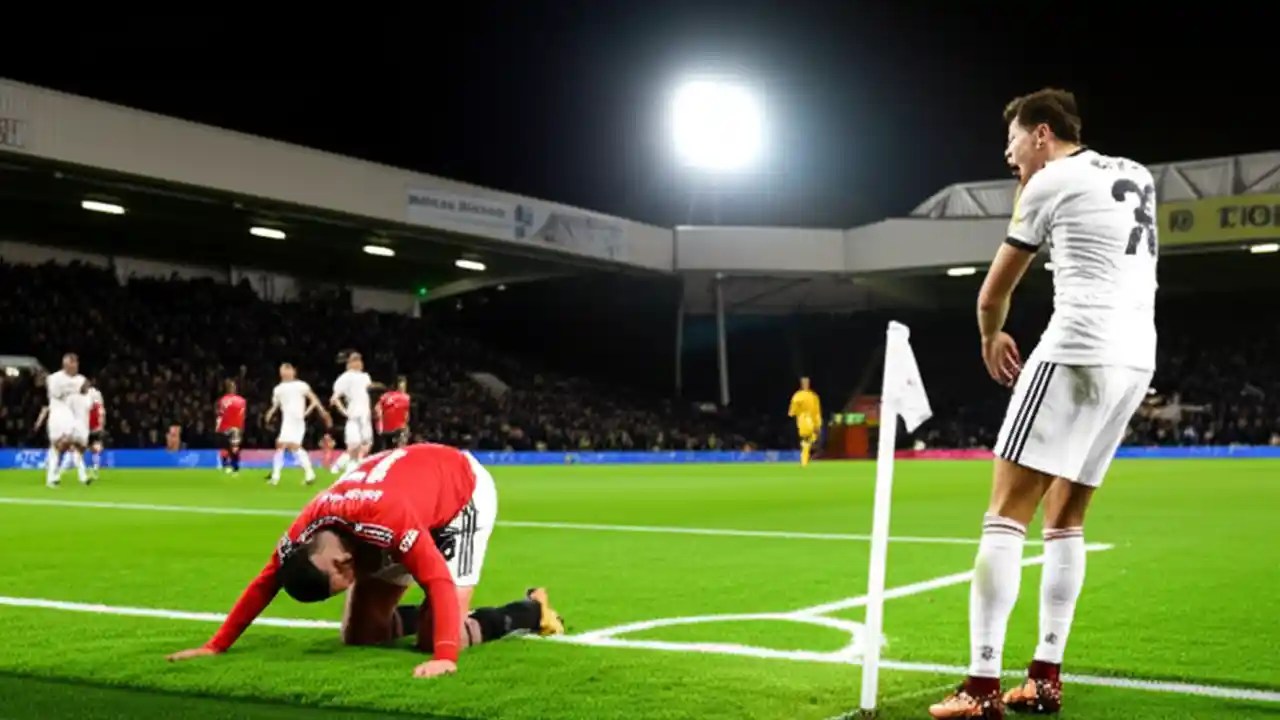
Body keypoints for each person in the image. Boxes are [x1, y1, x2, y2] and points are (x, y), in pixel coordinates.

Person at [929, 88, 1158, 719]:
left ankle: (979, 689)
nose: (1010, 159)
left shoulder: (1050, 181)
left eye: (1013, 144)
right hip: (1135, 360)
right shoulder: (1135, 174)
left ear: (1042, 133)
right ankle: (1045, 677)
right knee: (1066, 517)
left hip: (1076, 349)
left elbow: (992, 292)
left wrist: (989, 335)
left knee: (1005, 514)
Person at [165, 443, 565, 678]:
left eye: (345, 579)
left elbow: (437, 579)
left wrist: (444, 656)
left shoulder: (386, 519)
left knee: (435, 637)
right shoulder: (304, 534)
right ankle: (436, 616)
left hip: (460, 495)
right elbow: (265, 582)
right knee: (360, 634)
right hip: (397, 505)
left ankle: (533, 610)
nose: (350, 582)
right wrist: (216, 645)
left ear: (340, 562)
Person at [264, 363, 330, 485]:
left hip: (297, 420)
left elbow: (314, 399)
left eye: (288, 370)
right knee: (283, 445)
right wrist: (269, 413)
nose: (285, 373)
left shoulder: (301, 385)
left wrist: (318, 412)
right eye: (283, 370)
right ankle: (278, 476)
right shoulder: (278, 389)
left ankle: (305, 474)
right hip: (287, 420)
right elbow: (276, 405)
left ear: (293, 372)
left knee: (291, 446)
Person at [330, 352, 377, 474]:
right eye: (355, 360)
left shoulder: (366, 377)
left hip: (365, 415)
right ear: (349, 363)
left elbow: (368, 394)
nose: (358, 363)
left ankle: (340, 465)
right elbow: (335, 398)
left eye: (360, 360)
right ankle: (349, 472)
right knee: (354, 445)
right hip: (354, 415)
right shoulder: (345, 378)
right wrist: (344, 412)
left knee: (366, 445)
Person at [787, 377, 822, 467]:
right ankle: (804, 460)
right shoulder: (799, 396)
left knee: (809, 439)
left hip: (809, 419)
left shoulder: (812, 396)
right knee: (807, 438)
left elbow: (817, 410)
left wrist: (818, 422)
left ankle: (805, 458)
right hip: (804, 420)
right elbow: (793, 409)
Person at [216, 379, 247, 475]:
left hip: (225, 427)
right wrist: (241, 427)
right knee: (235, 447)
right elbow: (243, 415)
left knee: (225, 447)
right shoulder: (242, 400)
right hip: (236, 427)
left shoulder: (223, 400)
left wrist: (217, 426)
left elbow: (220, 414)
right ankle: (235, 468)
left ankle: (225, 466)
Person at [375, 375, 412, 451]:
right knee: (387, 450)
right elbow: (377, 409)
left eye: (404, 385)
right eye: (401, 385)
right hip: (387, 429)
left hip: (399, 428)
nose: (403, 387)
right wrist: (379, 422)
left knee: (399, 447)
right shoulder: (386, 396)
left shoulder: (406, 397)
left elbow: (406, 415)